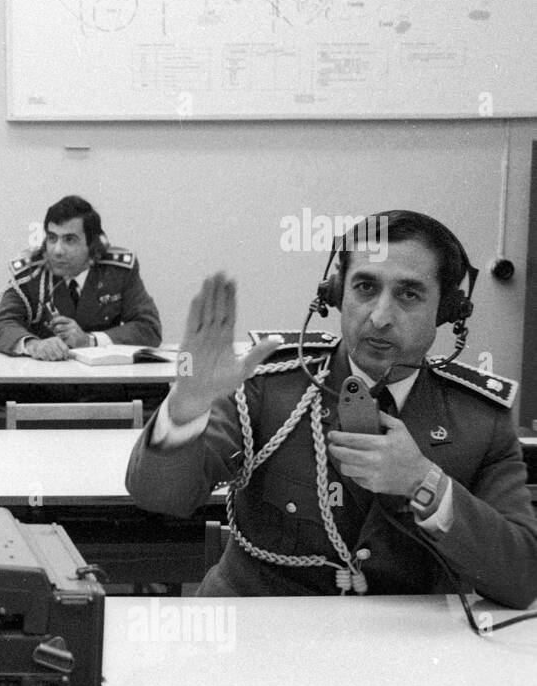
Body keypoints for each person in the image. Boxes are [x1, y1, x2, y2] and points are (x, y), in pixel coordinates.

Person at [125, 210, 537, 607]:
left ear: (447, 311)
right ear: (336, 294)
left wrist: (423, 483)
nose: (379, 317)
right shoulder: (268, 385)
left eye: (409, 295)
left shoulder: (479, 419)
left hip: (404, 653)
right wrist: (185, 408)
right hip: (260, 636)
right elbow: (160, 497)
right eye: (365, 288)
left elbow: (521, 579)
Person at [0, 195, 161, 359]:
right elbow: (0, 325)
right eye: (52, 238)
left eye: (69, 240)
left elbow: (149, 328)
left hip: (104, 381)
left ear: (92, 244)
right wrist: (33, 345)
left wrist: (90, 341)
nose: (57, 250)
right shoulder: (33, 273)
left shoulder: (116, 271)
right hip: (45, 380)